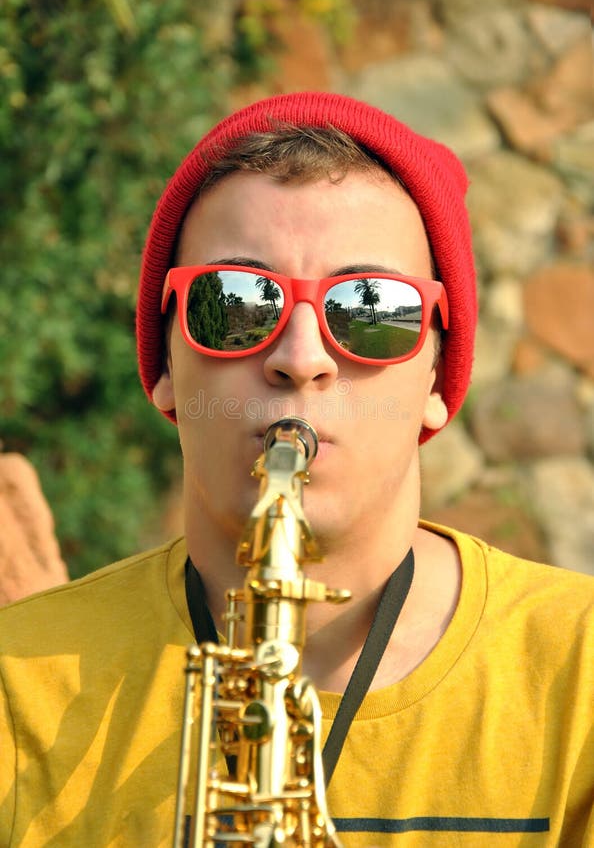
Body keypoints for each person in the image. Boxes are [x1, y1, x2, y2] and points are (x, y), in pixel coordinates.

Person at [1, 92, 592, 847]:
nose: (302, 359)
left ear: (441, 383)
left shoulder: (581, 673)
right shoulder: (14, 683)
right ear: (165, 367)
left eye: (370, 309)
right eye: (236, 301)